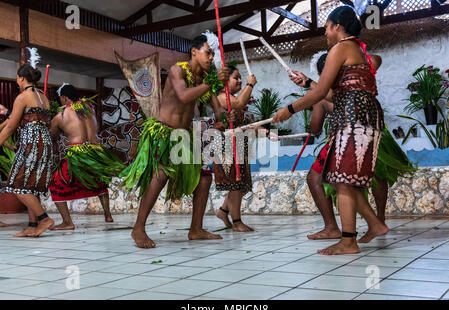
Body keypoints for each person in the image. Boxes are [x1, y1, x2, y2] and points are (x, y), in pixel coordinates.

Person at [272, 6, 389, 255]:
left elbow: (319, 93)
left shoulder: (341, 47)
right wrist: (307, 82)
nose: (325, 32)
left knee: (344, 183)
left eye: (326, 26)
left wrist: (289, 109)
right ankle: (375, 224)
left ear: (338, 26)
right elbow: (332, 90)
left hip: (353, 116)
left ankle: (348, 241)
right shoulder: (357, 49)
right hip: (362, 114)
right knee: (339, 179)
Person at [121, 34, 231, 248]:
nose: (211, 57)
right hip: (164, 133)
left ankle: (196, 229)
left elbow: (218, 111)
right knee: (160, 175)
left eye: (213, 54)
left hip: (184, 137)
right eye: (208, 52)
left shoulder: (204, 78)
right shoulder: (177, 70)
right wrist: (212, 82)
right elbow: (183, 96)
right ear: (194, 52)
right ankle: (138, 228)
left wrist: (226, 119)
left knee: (203, 179)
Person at [295, 52, 416, 240]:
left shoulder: (322, 92)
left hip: (348, 135)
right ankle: (378, 221)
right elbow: (375, 59)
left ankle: (334, 228)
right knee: (375, 174)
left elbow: (315, 127)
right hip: (374, 131)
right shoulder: (354, 78)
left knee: (321, 178)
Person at [48, 84, 125, 230]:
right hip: (96, 151)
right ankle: (108, 215)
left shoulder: (61, 115)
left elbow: (52, 136)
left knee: (56, 183)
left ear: (64, 98)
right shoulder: (90, 108)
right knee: (99, 181)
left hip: (78, 153)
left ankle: (67, 222)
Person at [213, 66, 278, 232]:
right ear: (225, 81)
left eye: (242, 78)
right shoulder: (222, 98)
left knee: (241, 186)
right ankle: (237, 222)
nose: (240, 81)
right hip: (227, 147)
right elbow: (238, 104)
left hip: (241, 147)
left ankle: (223, 211)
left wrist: (267, 132)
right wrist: (250, 85)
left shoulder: (232, 98)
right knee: (236, 185)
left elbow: (247, 126)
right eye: (236, 77)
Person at [0, 64, 54, 237]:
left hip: (31, 142)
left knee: (17, 185)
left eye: (17, 78)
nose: (17, 81)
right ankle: (32, 225)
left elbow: (9, 127)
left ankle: (44, 219)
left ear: (22, 78)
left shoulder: (23, 97)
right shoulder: (43, 96)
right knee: (31, 186)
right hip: (44, 142)